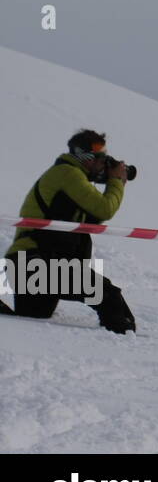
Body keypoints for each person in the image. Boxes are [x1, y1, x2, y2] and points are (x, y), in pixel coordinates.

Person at [1, 129, 136, 333]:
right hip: (35, 264)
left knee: (32, 318)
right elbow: (104, 208)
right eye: (102, 159)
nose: (103, 165)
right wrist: (116, 181)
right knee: (108, 296)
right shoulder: (67, 174)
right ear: (87, 158)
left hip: (30, 265)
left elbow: (94, 217)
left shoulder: (70, 179)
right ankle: (125, 343)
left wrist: (113, 181)